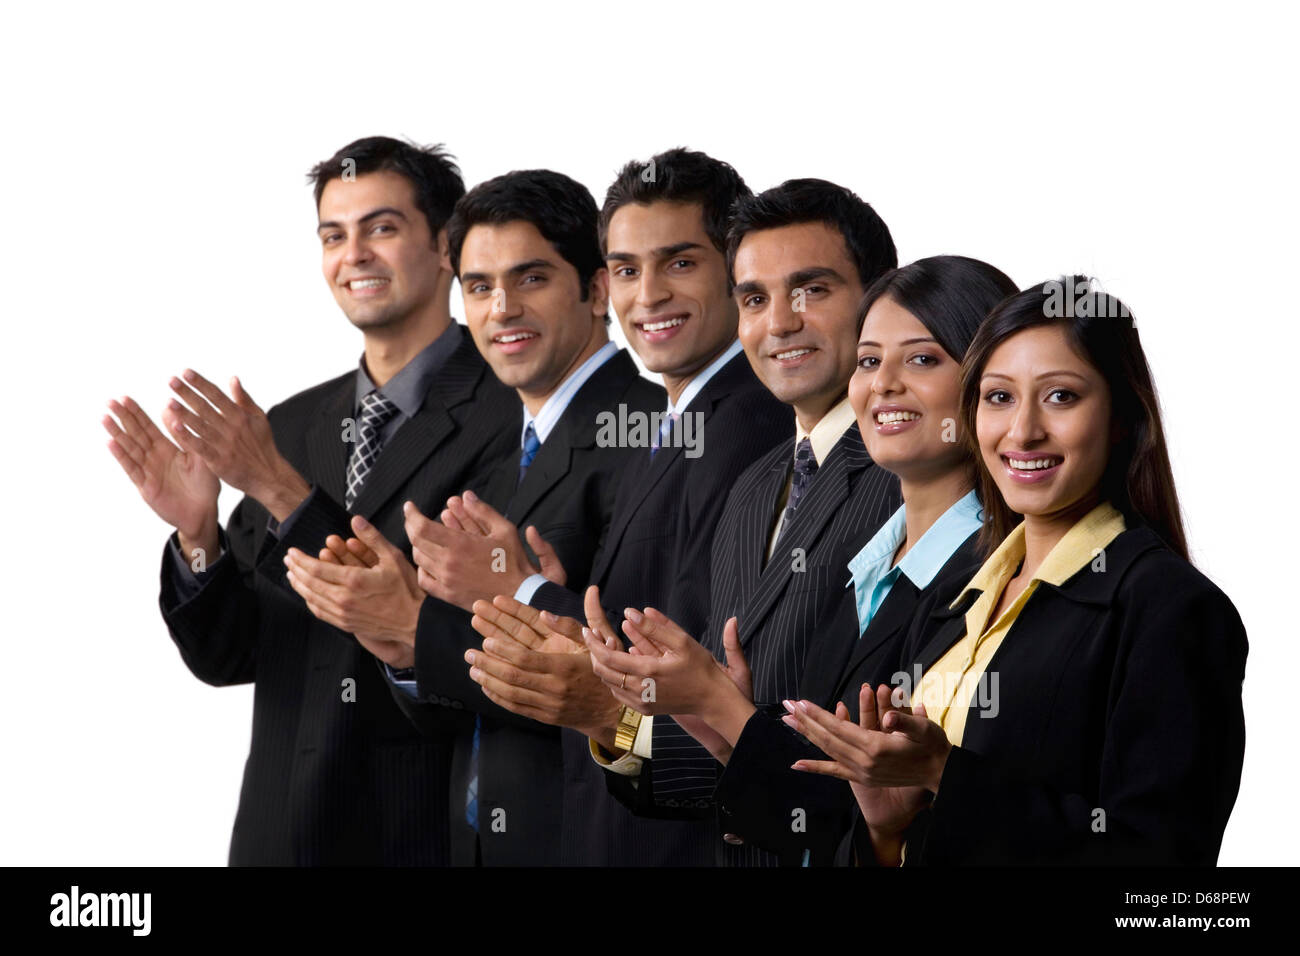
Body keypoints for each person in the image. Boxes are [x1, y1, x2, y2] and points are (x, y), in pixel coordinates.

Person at [102, 136, 519, 865]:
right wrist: (198, 536)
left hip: (421, 836)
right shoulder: (292, 425)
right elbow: (232, 654)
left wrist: (276, 486)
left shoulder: (513, 413)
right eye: (334, 235)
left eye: (381, 228)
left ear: (447, 246)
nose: (353, 254)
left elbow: (456, 643)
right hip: (278, 834)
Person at [784, 278, 1248, 866]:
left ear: (1123, 418)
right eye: (999, 398)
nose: (1022, 431)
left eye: (1060, 397)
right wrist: (886, 832)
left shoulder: (1169, 608)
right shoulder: (960, 595)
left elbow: (1162, 872)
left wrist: (944, 772)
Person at [280, 169, 663, 865]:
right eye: (479, 287)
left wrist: (419, 624)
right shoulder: (503, 455)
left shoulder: (647, 433)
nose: (502, 308)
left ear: (597, 288)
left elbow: (652, 675)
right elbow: (465, 702)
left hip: (592, 838)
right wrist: (403, 648)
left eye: (532, 279)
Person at [462, 148, 793, 865]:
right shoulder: (685, 417)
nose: (647, 296)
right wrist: (546, 592)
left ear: (736, 272)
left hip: (682, 834)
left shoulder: (747, 423)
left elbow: (701, 653)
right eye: (627, 269)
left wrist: (519, 590)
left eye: (679, 263)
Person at [581, 179, 904, 866]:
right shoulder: (758, 486)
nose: (779, 323)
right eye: (755, 298)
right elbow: (715, 741)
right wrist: (609, 719)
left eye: (811, 290)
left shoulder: (909, 478)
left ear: (881, 300)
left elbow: (870, 775)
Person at [705, 255, 1018, 865]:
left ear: (989, 381)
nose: (883, 385)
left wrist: (721, 708)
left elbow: (919, 817)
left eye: (922, 359)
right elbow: (823, 807)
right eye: (870, 360)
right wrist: (722, 723)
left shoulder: (998, 575)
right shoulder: (869, 564)